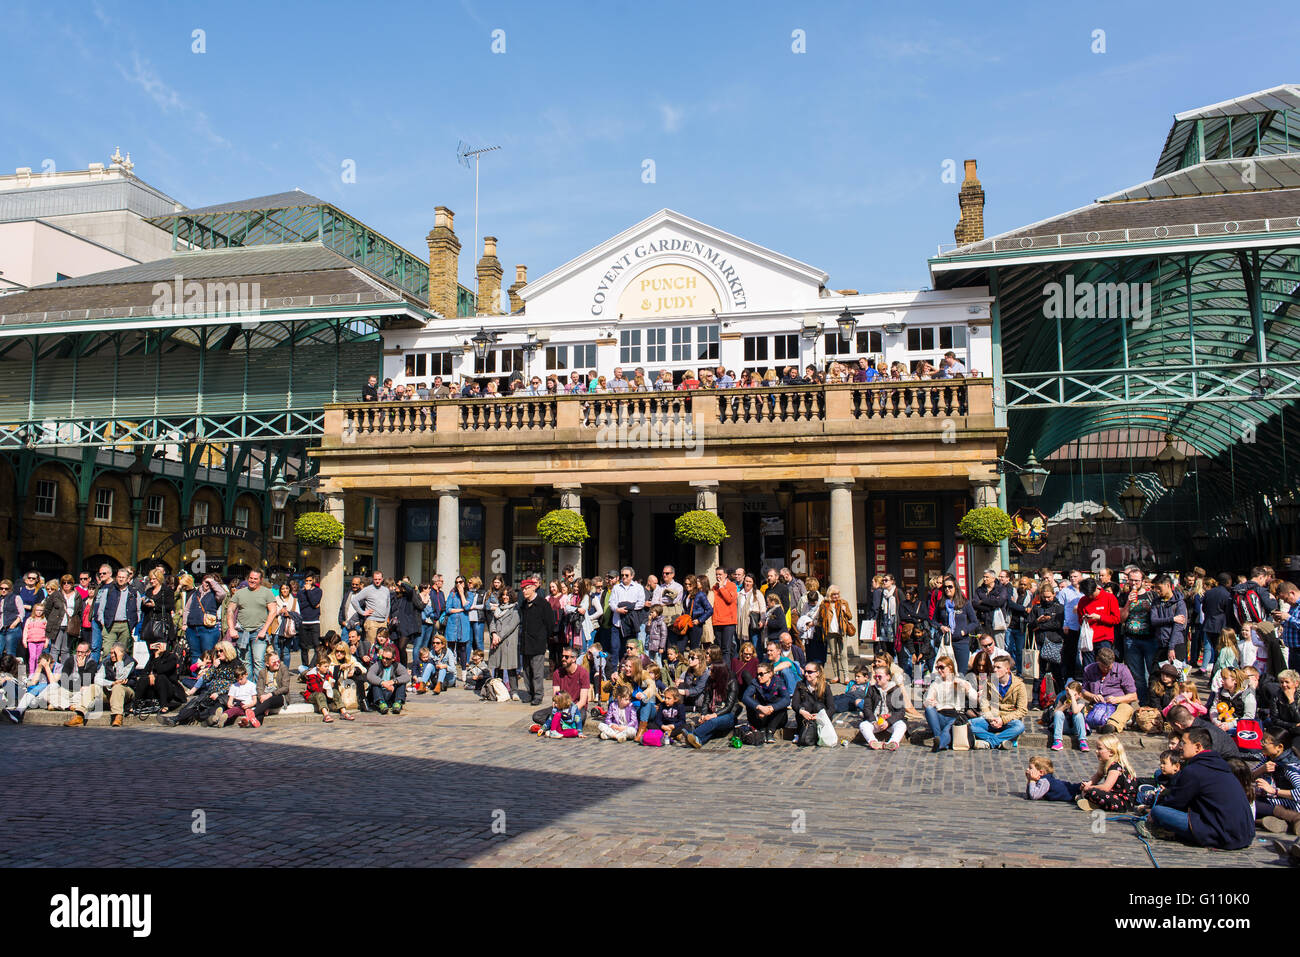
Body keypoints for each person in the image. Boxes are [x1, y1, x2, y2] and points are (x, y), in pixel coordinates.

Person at [1141, 727, 1255, 849]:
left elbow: (1175, 803)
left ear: (1198, 747)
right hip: (1245, 835)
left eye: (1184, 743)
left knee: (1159, 811)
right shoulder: (1221, 765)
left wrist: (1152, 812)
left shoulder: (1195, 770)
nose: (1180, 746)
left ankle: (1168, 831)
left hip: (1222, 835)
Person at [226, 568, 275, 683]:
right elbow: (230, 610)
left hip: (259, 631)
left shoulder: (266, 592)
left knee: (259, 661)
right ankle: (248, 689)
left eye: (255, 579)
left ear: (260, 580)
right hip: (242, 631)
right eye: (250, 578)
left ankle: (259, 689)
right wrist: (231, 629)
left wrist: (264, 630)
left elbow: (273, 611)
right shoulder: (240, 593)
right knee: (245, 662)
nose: (252, 581)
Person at [969, 655, 1027, 750]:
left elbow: (1022, 710)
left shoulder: (1019, 685)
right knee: (969, 724)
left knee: (1019, 726)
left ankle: (989, 743)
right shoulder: (989, 682)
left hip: (1009, 720)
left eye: (998, 667)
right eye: (994, 667)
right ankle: (1000, 741)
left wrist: (1003, 720)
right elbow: (984, 704)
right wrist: (991, 718)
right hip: (991, 719)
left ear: (1007, 670)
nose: (995, 670)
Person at [1079, 645, 1138, 734]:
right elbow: (1083, 691)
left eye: (1108, 667)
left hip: (1118, 705)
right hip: (1096, 706)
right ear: (1097, 661)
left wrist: (1117, 699)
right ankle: (1086, 724)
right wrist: (1093, 696)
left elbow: (1133, 696)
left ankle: (1110, 726)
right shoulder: (1089, 669)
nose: (1106, 669)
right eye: (1103, 666)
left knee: (1126, 709)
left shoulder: (1122, 670)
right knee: (1078, 708)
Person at [1072, 733, 1139, 812]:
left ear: (1111, 752)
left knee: (1092, 792)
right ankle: (1094, 803)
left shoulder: (1115, 767)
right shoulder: (1106, 764)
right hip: (1114, 795)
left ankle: (1095, 804)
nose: (1096, 751)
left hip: (1123, 803)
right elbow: (1097, 776)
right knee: (1088, 789)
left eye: (1100, 749)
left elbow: (1106, 787)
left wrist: (1089, 788)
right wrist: (1088, 784)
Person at [923, 655, 977, 751]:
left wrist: (968, 689)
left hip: (955, 716)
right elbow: (927, 701)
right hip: (940, 715)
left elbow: (974, 698)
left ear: (950, 667)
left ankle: (939, 744)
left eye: (941, 667)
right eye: (937, 668)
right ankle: (938, 738)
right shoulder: (935, 684)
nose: (939, 670)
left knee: (947, 731)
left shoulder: (960, 682)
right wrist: (930, 702)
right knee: (929, 709)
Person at [519, 578, 555, 707]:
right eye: (523, 589)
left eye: (526, 588)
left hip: (538, 642)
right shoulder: (523, 604)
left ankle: (538, 695)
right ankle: (530, 693)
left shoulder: (542, 603)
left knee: (537, 671)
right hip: (525, 642)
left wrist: (545, 637)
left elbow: (550, 622)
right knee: (527, 671)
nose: (524, 591)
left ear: (534, 588)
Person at [932, 575, 979, 671]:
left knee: (961, 672)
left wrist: (964, 632)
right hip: (946, 642)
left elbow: (974, 622)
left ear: (955, 587)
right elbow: (933, 621)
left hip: (961, 641)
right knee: (946, 672)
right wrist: (941, 627)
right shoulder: (941, 603)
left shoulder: (964, 603)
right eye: (945, 587)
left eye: (950, 587)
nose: (947, 589)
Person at [859, 662, 907, 750]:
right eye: (875, 677)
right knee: (863, 725)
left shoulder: (896, 690)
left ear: (888, 677)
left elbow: (900, 711)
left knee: (901, 725)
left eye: (879, 677)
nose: (877, 679)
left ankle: (892, 742)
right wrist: (873, 722)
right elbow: (867, 708)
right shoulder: (871, 689)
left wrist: (888, 722)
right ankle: (873, 742)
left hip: (890, 721)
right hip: (876, 720)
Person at [95, 643, 137, 728]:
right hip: (110, 690)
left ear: (122, 653)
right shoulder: (106, 662)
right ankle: (80, 714)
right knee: (93, 687)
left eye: (115, 653)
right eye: (111, 653)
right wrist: (111, 683)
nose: (112, 655)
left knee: (117, 687)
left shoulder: (130, 662)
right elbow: (97, 679)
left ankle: (118, 716)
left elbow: (120, 677)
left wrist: (119, 661)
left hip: (126, 691)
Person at [366, 645, 410, 714]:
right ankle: (381, 704)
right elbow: (369, 675)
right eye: (382, 657)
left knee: (401, 683)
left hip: (392, 692)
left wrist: (393, 681)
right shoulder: (378, 665)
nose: (384, 660)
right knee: (375, 684)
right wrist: (383, 683)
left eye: (387, 659)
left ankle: (397, 703)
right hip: (379, 693)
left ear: (393, 659)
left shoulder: (397, 666)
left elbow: (406, 676)